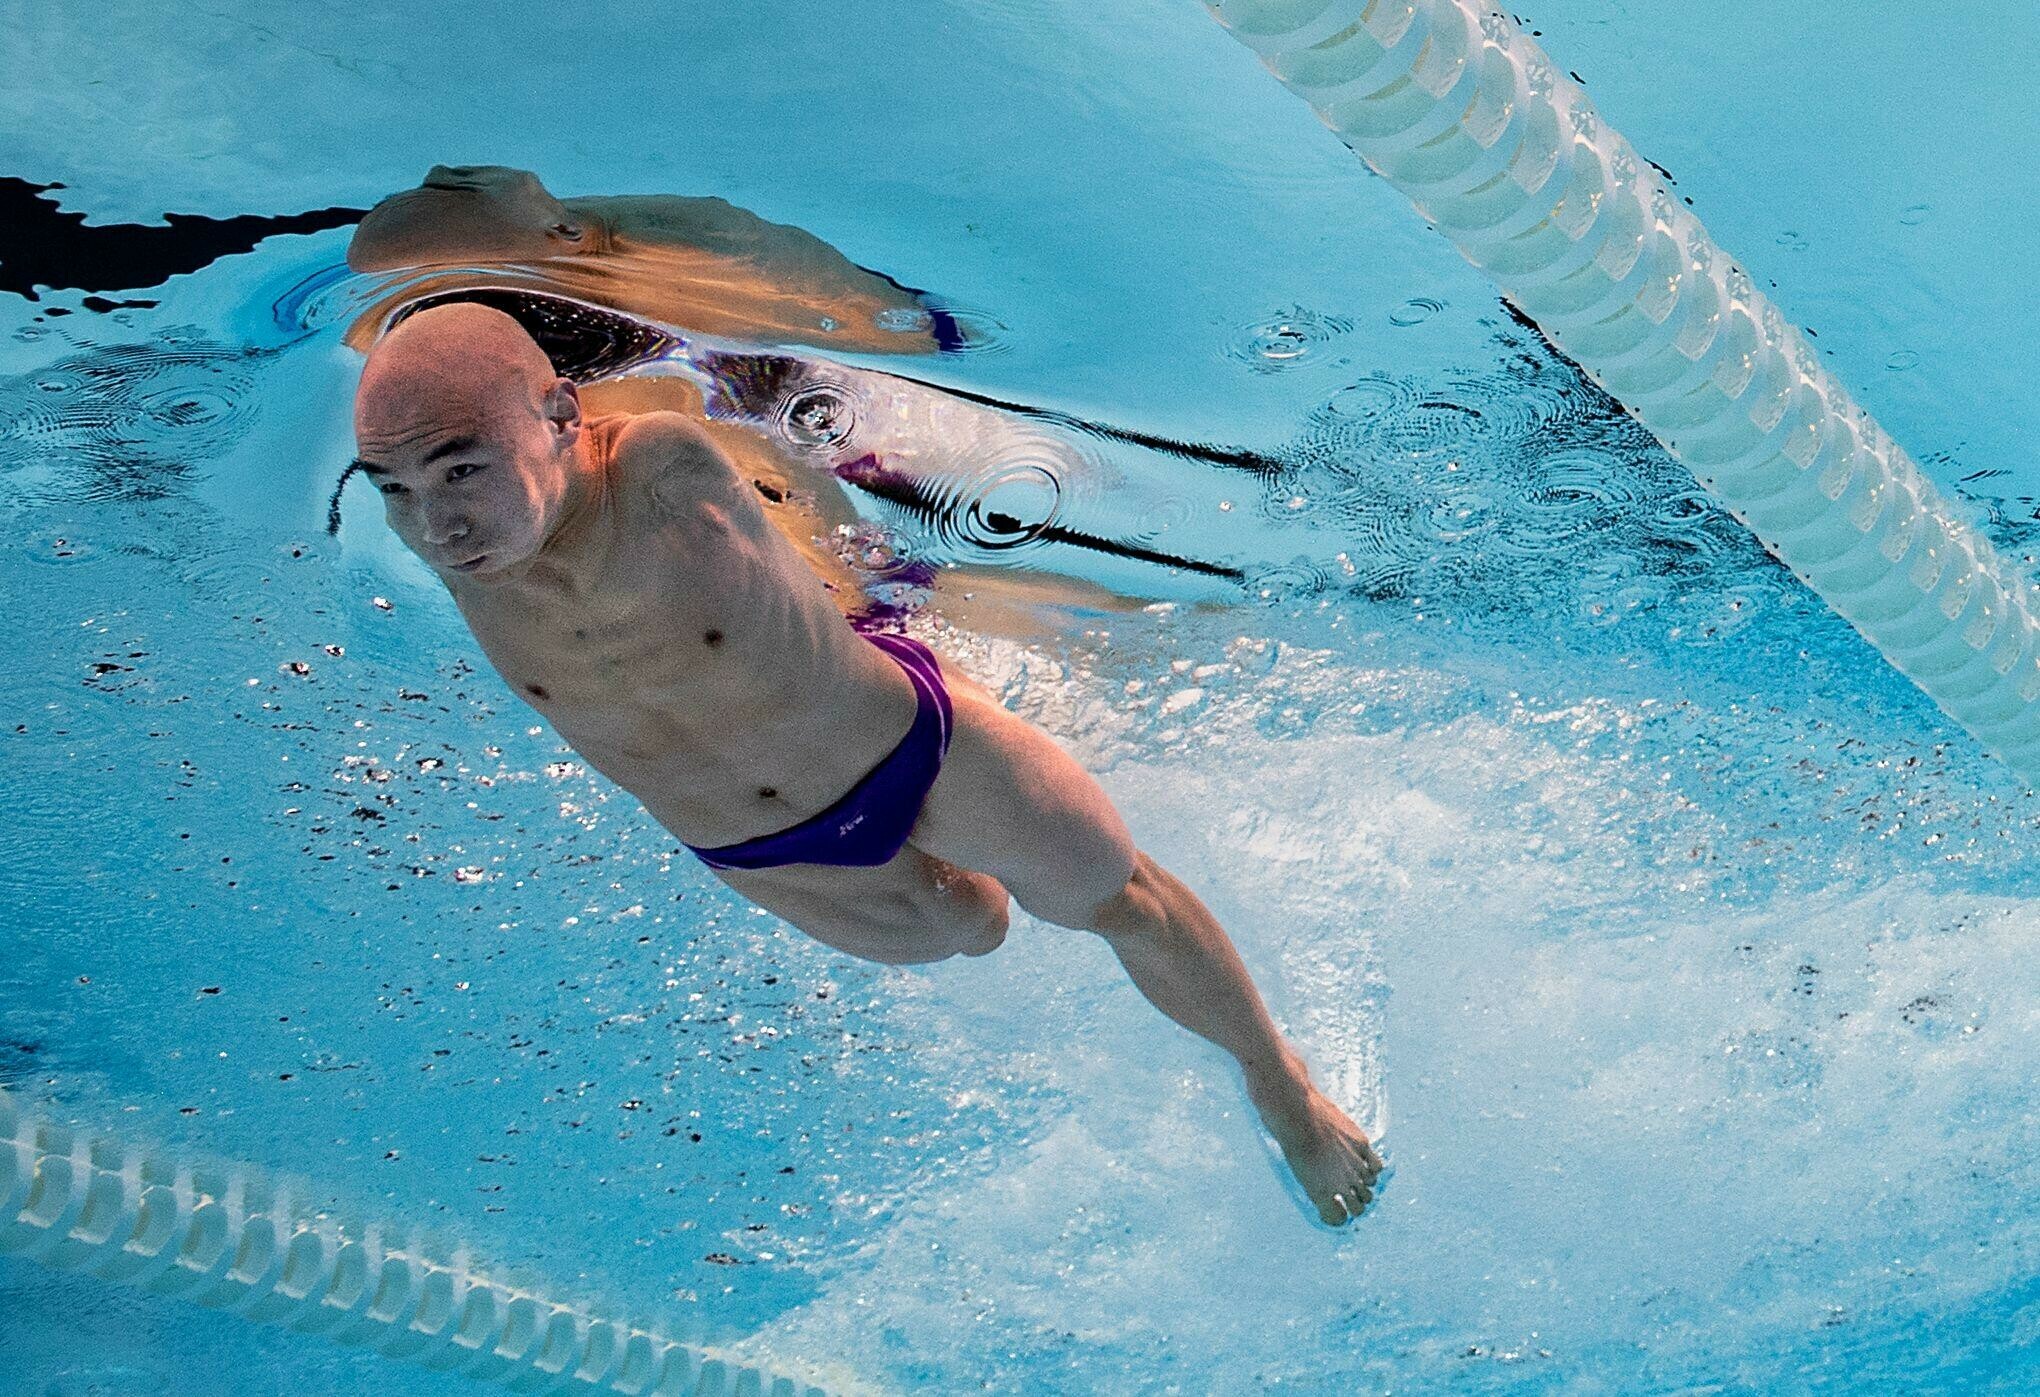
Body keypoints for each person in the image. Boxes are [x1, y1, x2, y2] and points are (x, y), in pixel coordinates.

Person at [347, 300, 1382, 1227]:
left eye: (462, 468)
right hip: (771, 853)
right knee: (970, 929)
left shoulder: (659, 463)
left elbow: (720, 361)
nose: (435, 523)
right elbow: (425, 409)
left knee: (1113, 895)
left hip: (908, 749)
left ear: (563, 417)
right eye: (393, 487)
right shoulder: (462, 546)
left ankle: (1281, 1086)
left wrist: (885, 578)